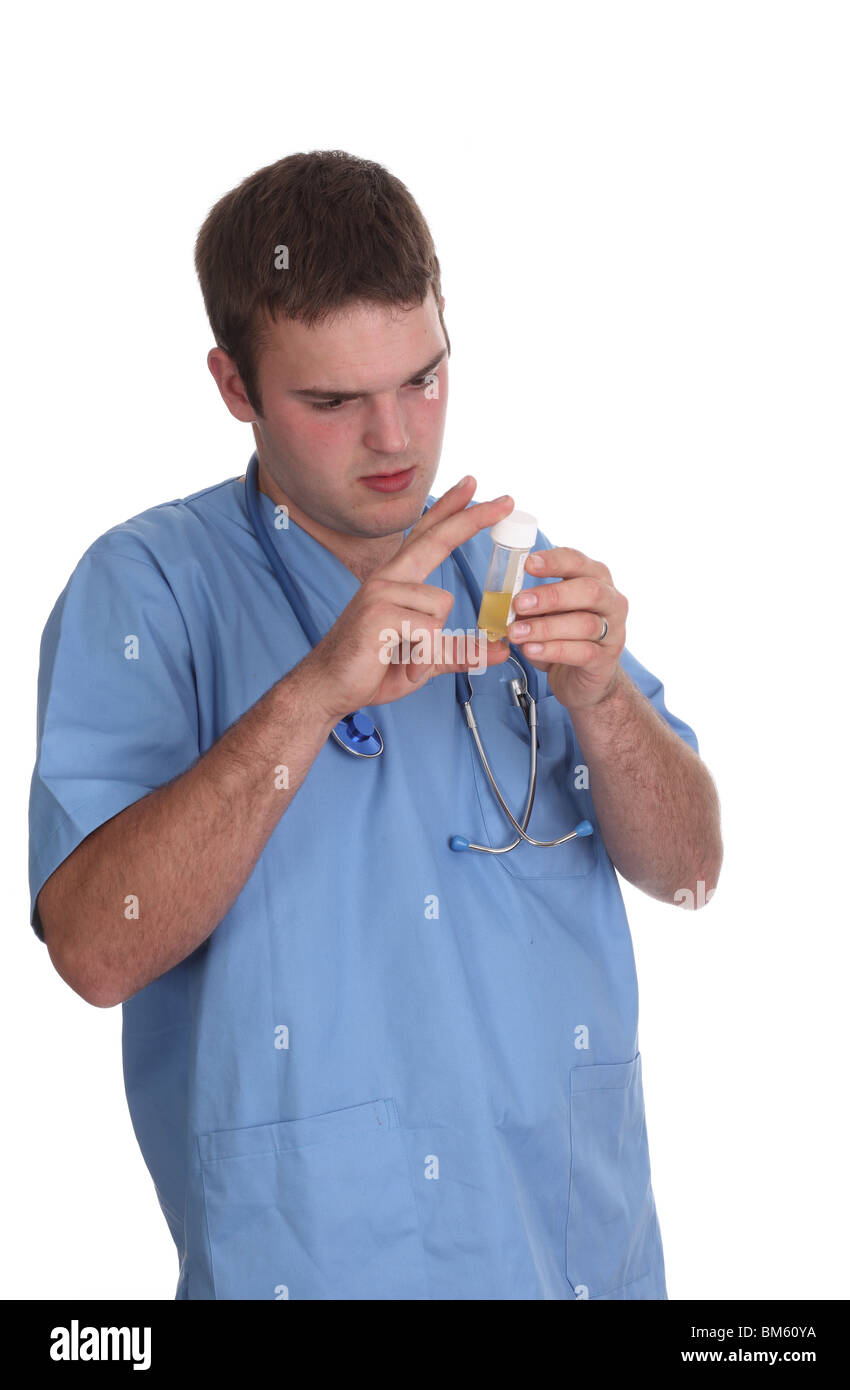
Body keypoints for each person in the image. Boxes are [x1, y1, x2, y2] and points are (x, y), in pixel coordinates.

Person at [28, 150, 723, 1301]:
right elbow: (97, 950)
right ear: (235, 386)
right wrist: (314, 693)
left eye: (423, 377)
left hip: (576, 1261)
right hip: (312, 1267)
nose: (396, 438)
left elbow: (692, 870)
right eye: (334, 401)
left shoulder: (513, 575)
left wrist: (601, 698)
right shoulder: (147, 591)